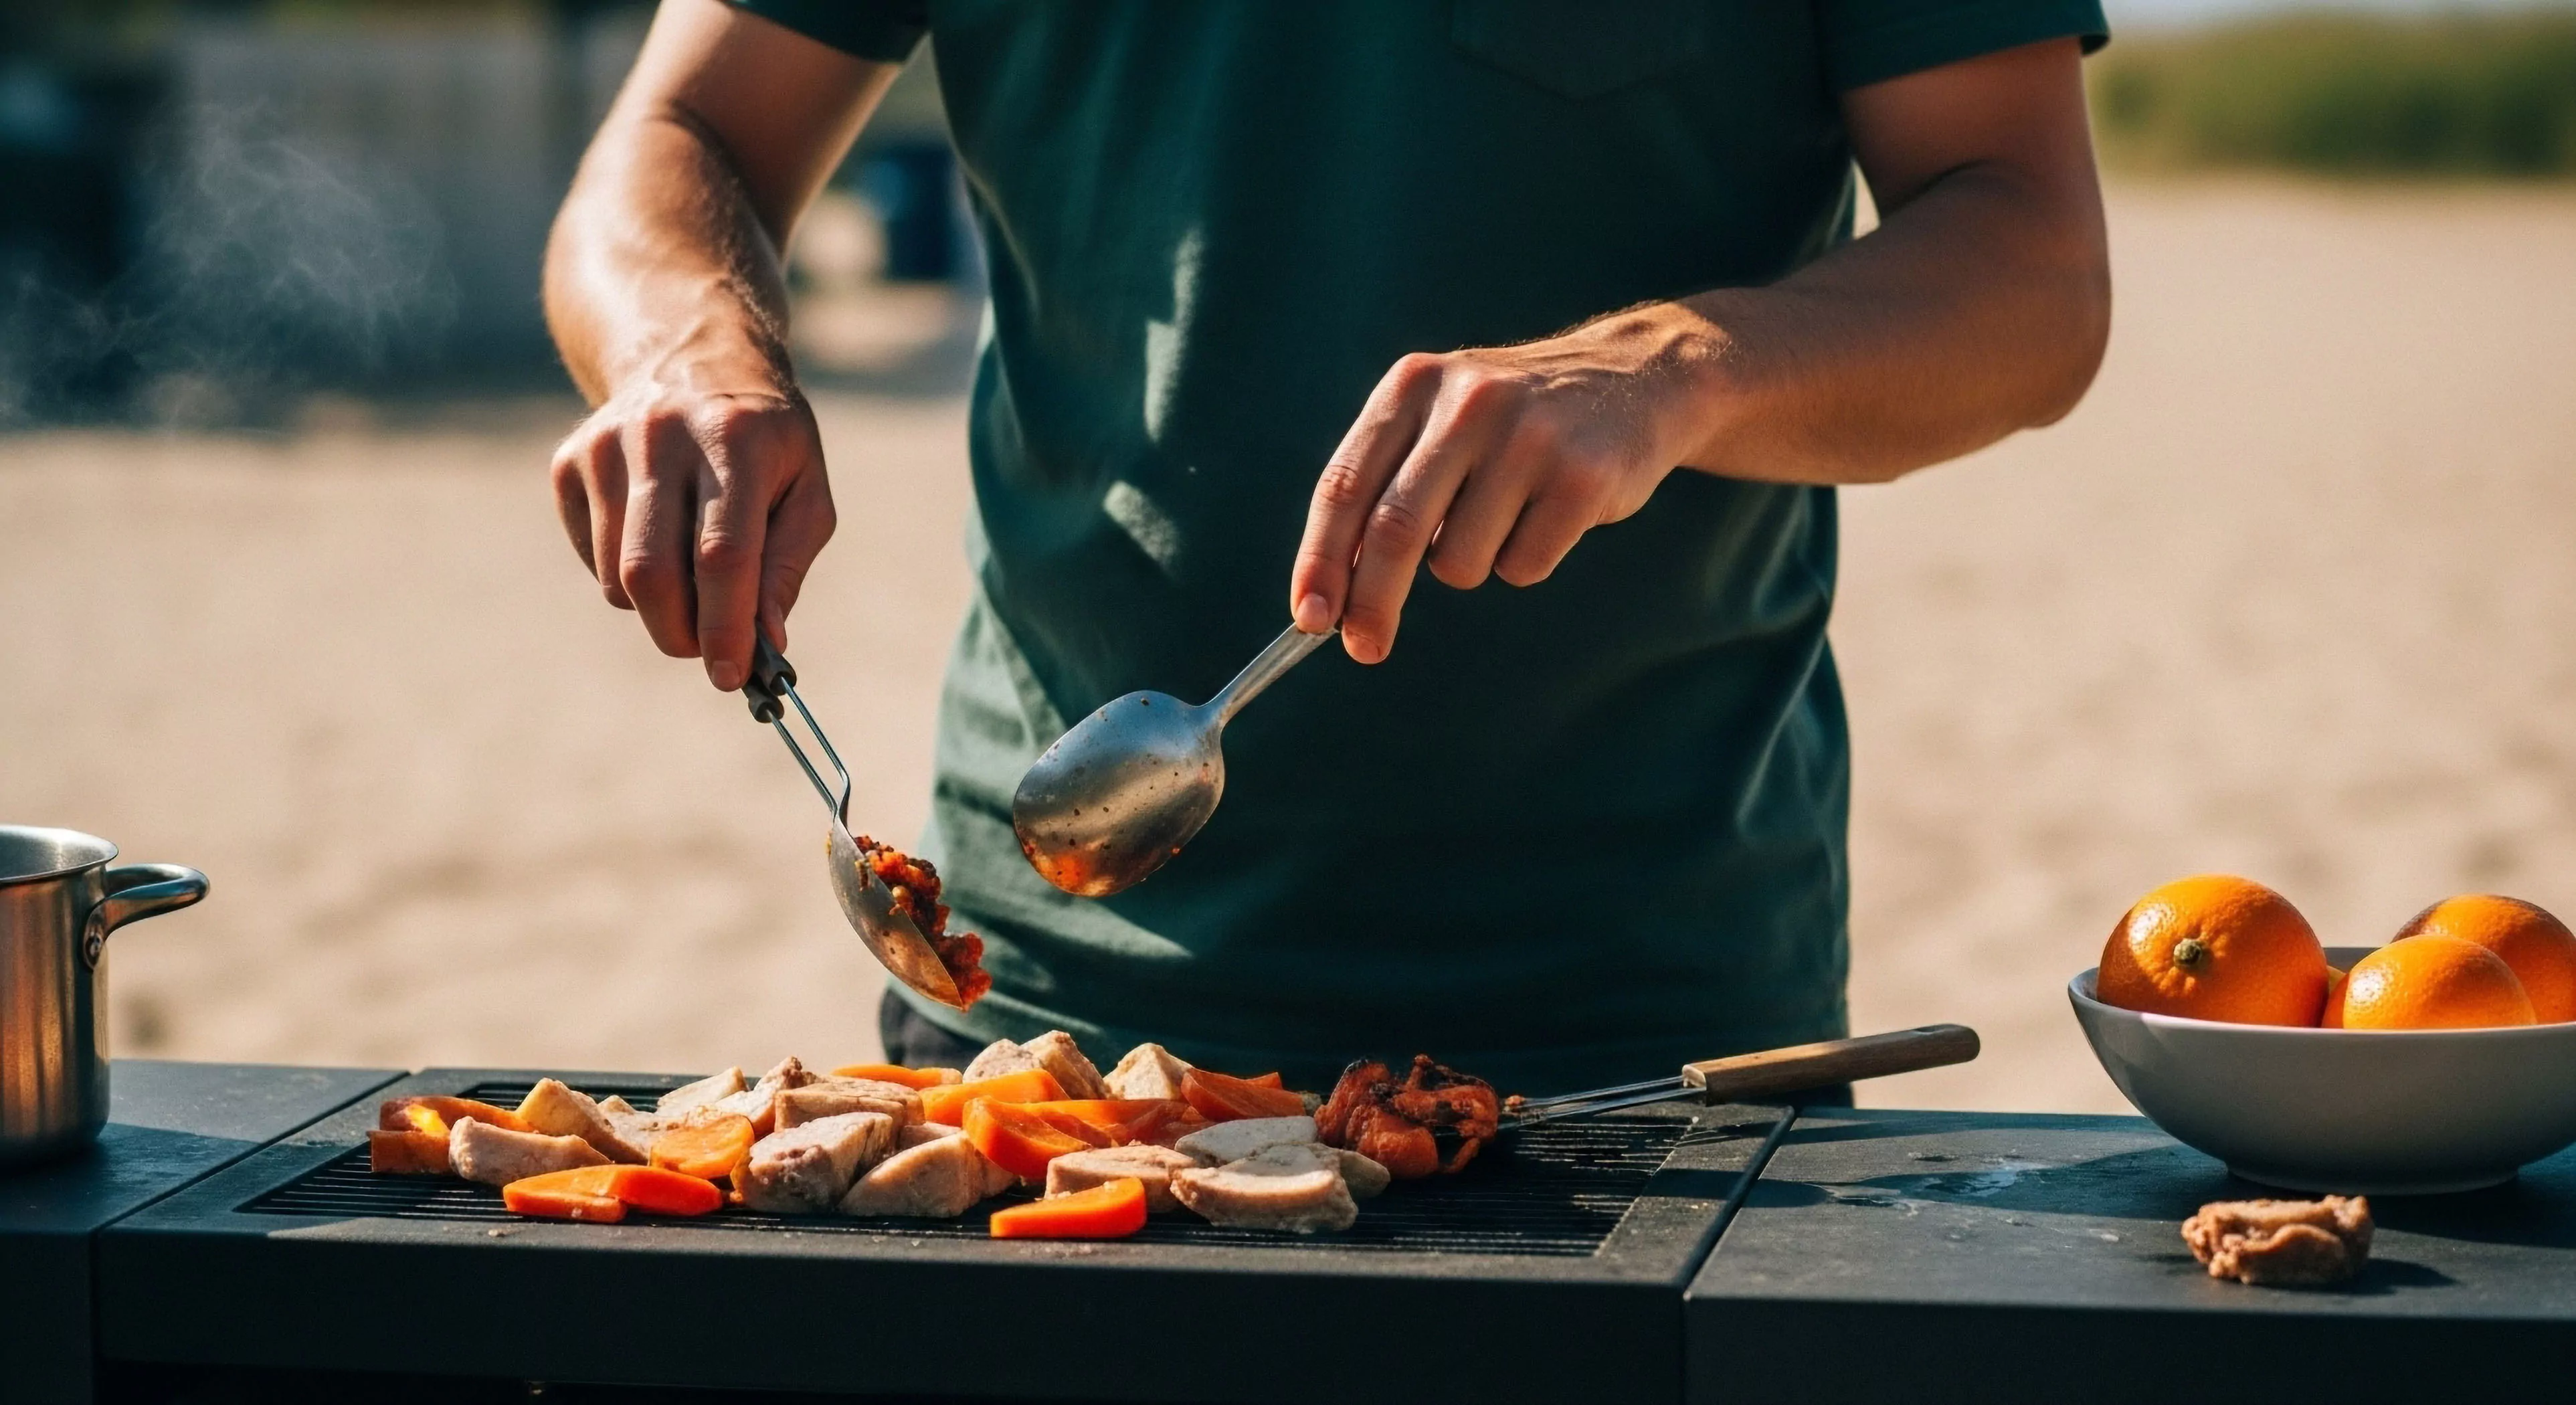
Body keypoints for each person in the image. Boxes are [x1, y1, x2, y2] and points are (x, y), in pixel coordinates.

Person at [544, 1, 2112, 1093]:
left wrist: (1670, 365)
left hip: (1643, 1025)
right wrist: (691, 352)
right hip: (1030, 1024)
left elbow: (2032, 270)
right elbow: (679, 134)